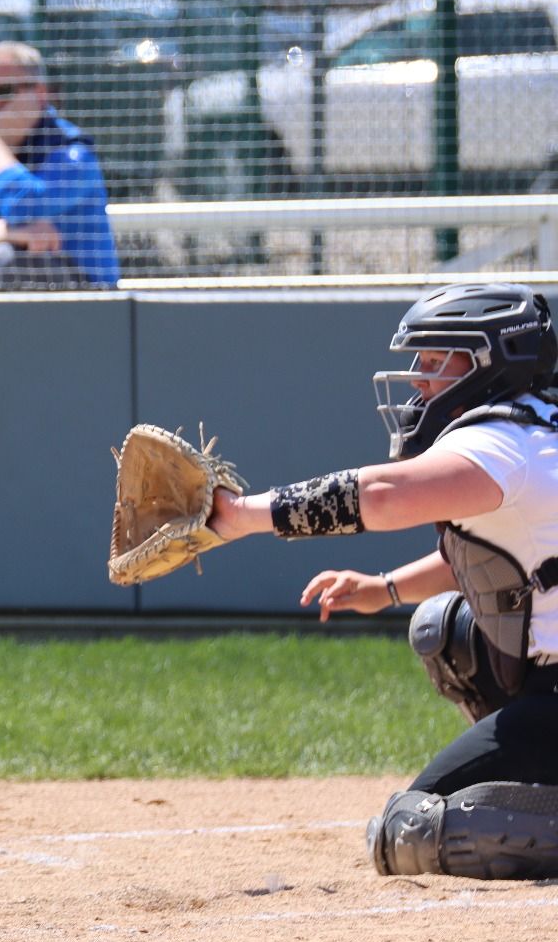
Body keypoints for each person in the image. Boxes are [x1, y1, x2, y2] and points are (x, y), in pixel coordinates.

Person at [206, 281, 558, 879]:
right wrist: (384, 588)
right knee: (445, 629)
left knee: (414, 833)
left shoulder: (504, 441)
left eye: (433, 360)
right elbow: (503, 558)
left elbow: (382, 495)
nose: (418, 380)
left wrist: (241, 516)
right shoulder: (534, 429)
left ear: (489, 361)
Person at [0, 41, 118, 289]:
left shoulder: (73, 149)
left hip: (79, 305)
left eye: (5, 91)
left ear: (40, 93)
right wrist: (7, 233)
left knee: (12, 261)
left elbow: (23, 205)